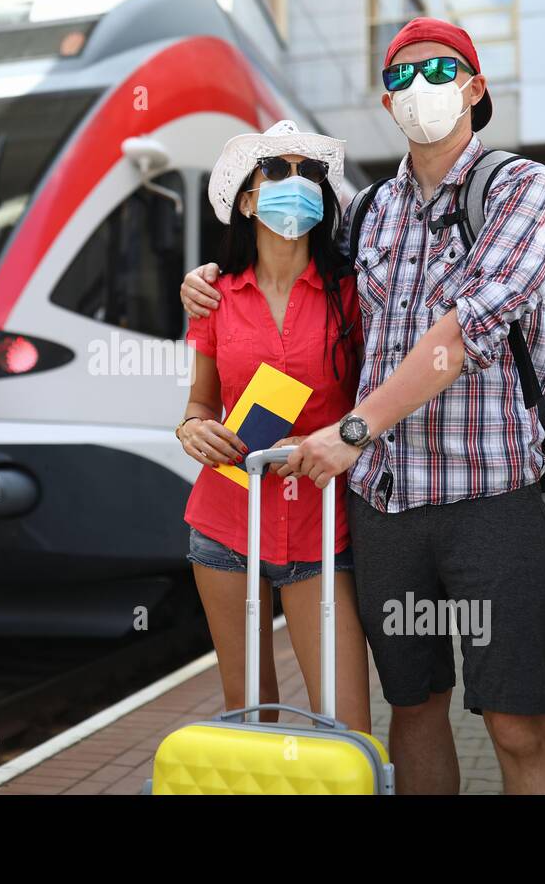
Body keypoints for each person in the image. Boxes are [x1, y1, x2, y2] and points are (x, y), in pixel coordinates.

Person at [180, 18, 545, 794]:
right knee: (413, 707)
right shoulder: (369, 215)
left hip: (487, 503)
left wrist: (353, 430)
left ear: (474, 87)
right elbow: (292, 285)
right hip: (384, 513)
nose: (418, 88)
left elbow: (462, 334)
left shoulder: (524, 189)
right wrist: (206, 281)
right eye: (400, 76)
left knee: (516, 721)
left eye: (439, 70)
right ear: (386, 101)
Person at [177, 120, 370, 732]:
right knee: (250, 723)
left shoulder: (356, 294)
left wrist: (331, 437)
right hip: (226, 527)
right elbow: (200, 405)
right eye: (279, 171)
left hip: (321, 531)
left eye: (310, 173)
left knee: (347, 730)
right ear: (247, 197)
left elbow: (379, 407)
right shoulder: (214, 298)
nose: (297, 183)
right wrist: (191, 431)